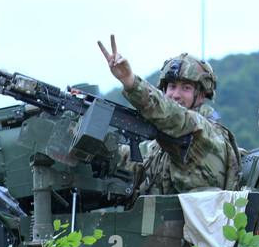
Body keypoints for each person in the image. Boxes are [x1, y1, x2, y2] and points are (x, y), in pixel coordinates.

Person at [98, 35, 240, 194]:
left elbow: (173, 115)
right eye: (172, 87)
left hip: (190, 218)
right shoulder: (162, 143)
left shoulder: (202, 132)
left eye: (186, 88)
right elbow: (133, 162)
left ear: (200, 96)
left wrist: (130, 81)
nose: (176, 95)